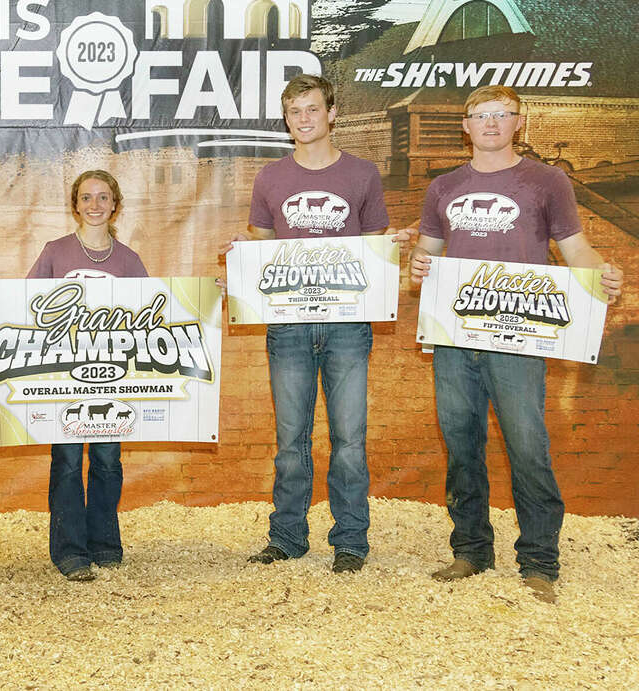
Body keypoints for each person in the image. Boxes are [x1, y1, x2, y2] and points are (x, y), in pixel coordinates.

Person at [409, 85, 624, 603]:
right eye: (480, 115)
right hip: (454, 334)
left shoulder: (547, 181)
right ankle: (471, 550)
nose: (490, 123)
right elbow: (427, 256)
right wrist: (417, 268)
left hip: (520, 333)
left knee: (528, 446)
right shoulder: (443, 187)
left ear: (518, 123)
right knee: (461, 445)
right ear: (466, 125)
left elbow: (575, 249)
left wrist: (603, 275)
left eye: (501, 115)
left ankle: (539, 561)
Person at [229, 75, 408, 573]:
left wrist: (398, 249)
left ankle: (350, 539)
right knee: (291, 439)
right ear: (286, 120)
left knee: (349, 438)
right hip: (287, 325)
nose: (303, 120)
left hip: (348, 325)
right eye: (293, 112)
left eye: (311, 109)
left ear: (332, 113)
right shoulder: (270, 178)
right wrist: (240, 263)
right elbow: (262, 247)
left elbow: (377, 246)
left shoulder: (363, 175)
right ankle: (287, 537)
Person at [27, 170, 148, 582]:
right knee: (65, 460)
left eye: (102, 198)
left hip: (112, 377)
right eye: (86, 198)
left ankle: (104, 542)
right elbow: (23, 304)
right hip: (62, 376)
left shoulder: (129, 261)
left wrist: (208, 295)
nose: (94, 206)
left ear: (115, 205)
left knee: (108, 460)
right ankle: (69, 550)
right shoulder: (55, 252)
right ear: (74, 205)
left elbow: (154, 316)